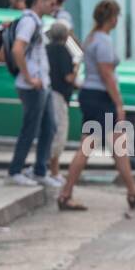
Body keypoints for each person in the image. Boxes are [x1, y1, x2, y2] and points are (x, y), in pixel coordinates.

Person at [57, 0, 135, 212]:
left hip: (92, 96)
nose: (117, 20)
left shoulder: (93, 38)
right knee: (91, 148)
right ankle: (66, 194)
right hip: (100, 98)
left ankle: (133, 192)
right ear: (112, 18)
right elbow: (106, 74)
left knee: (116, 148)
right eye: (117, 17)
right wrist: (119, 103)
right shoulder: (102, 42)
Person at [7, 0, 59, 187]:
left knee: (49, 127)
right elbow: (17, 49)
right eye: (51, 3)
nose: (54, 8)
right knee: (30, 128)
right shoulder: (29, 21)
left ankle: (40, 170)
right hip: (32, 86)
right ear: (41, 1)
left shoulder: (37, 22)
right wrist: (28, 78)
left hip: (41, 84)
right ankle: (15, 171)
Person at [46, 21, 76, 183]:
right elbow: (68, 77)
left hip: (49, 93)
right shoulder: (63, 51)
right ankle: (54, 171)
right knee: (59, 134)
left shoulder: (47, 49)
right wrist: (76, 68)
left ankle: (49, 169)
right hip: (58, 96)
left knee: (51, 133)